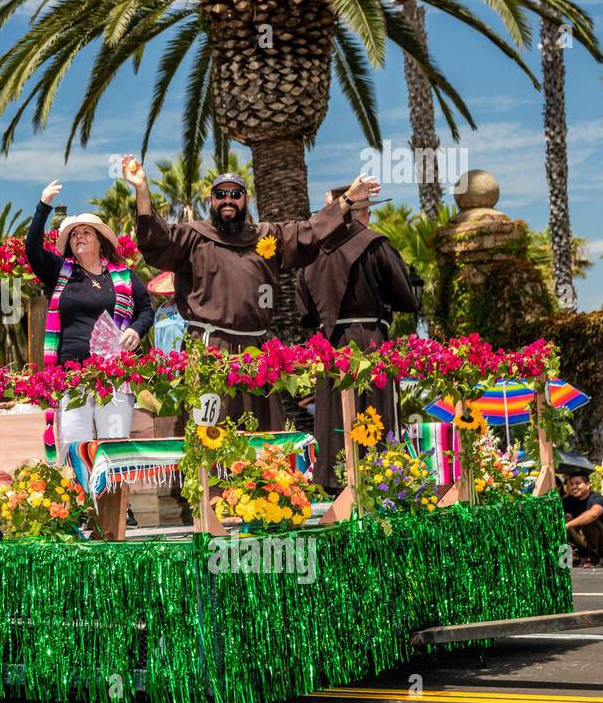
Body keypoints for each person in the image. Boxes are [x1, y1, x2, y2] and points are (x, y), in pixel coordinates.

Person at [128, 154, 377, 429]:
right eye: (220, 194)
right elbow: (158, 238)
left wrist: (348, 200)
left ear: (245, 200)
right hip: (211, 350)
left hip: (255, 351)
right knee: (209, 432)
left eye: (235, 194)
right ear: (211, 200)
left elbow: (310, 231)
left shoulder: (266, 236)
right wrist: (142, 190)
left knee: (261, 431)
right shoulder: (194, 237)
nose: (228, 200)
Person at [28, 181, 153, 503]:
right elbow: (31, 250)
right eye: (74, 233)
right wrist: (43, 206)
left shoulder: (125, 276)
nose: (79, 236)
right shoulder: (60, 271)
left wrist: (136, 331)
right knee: (74, 442)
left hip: (114, 375)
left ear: (100, 241)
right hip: (72, 376)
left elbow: (146, 309)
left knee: (113, 441)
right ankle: (80, 508)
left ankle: (116, 509)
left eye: (86, 232)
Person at [296, 185, 420, 490]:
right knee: (376, 411)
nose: (369, 216)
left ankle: (335, 481)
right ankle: (382, 481)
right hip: (371, 340)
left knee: (333, 412)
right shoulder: (375, 244)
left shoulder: (312, 254)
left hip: (331, 344)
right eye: (366, 210)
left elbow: (304, 309)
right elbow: (406, 295)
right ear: (354, 213)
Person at [563, 471, 603, 567]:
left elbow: (593, 515)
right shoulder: (568, 500)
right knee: (563, 518)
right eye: (571, 484)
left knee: (589, 519)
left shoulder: (597, 499)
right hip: (584, 543)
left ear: (587, 485)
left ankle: (593, 558)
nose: (574, 487)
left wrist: (569, 524)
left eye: (578, 483)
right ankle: (570, 556)